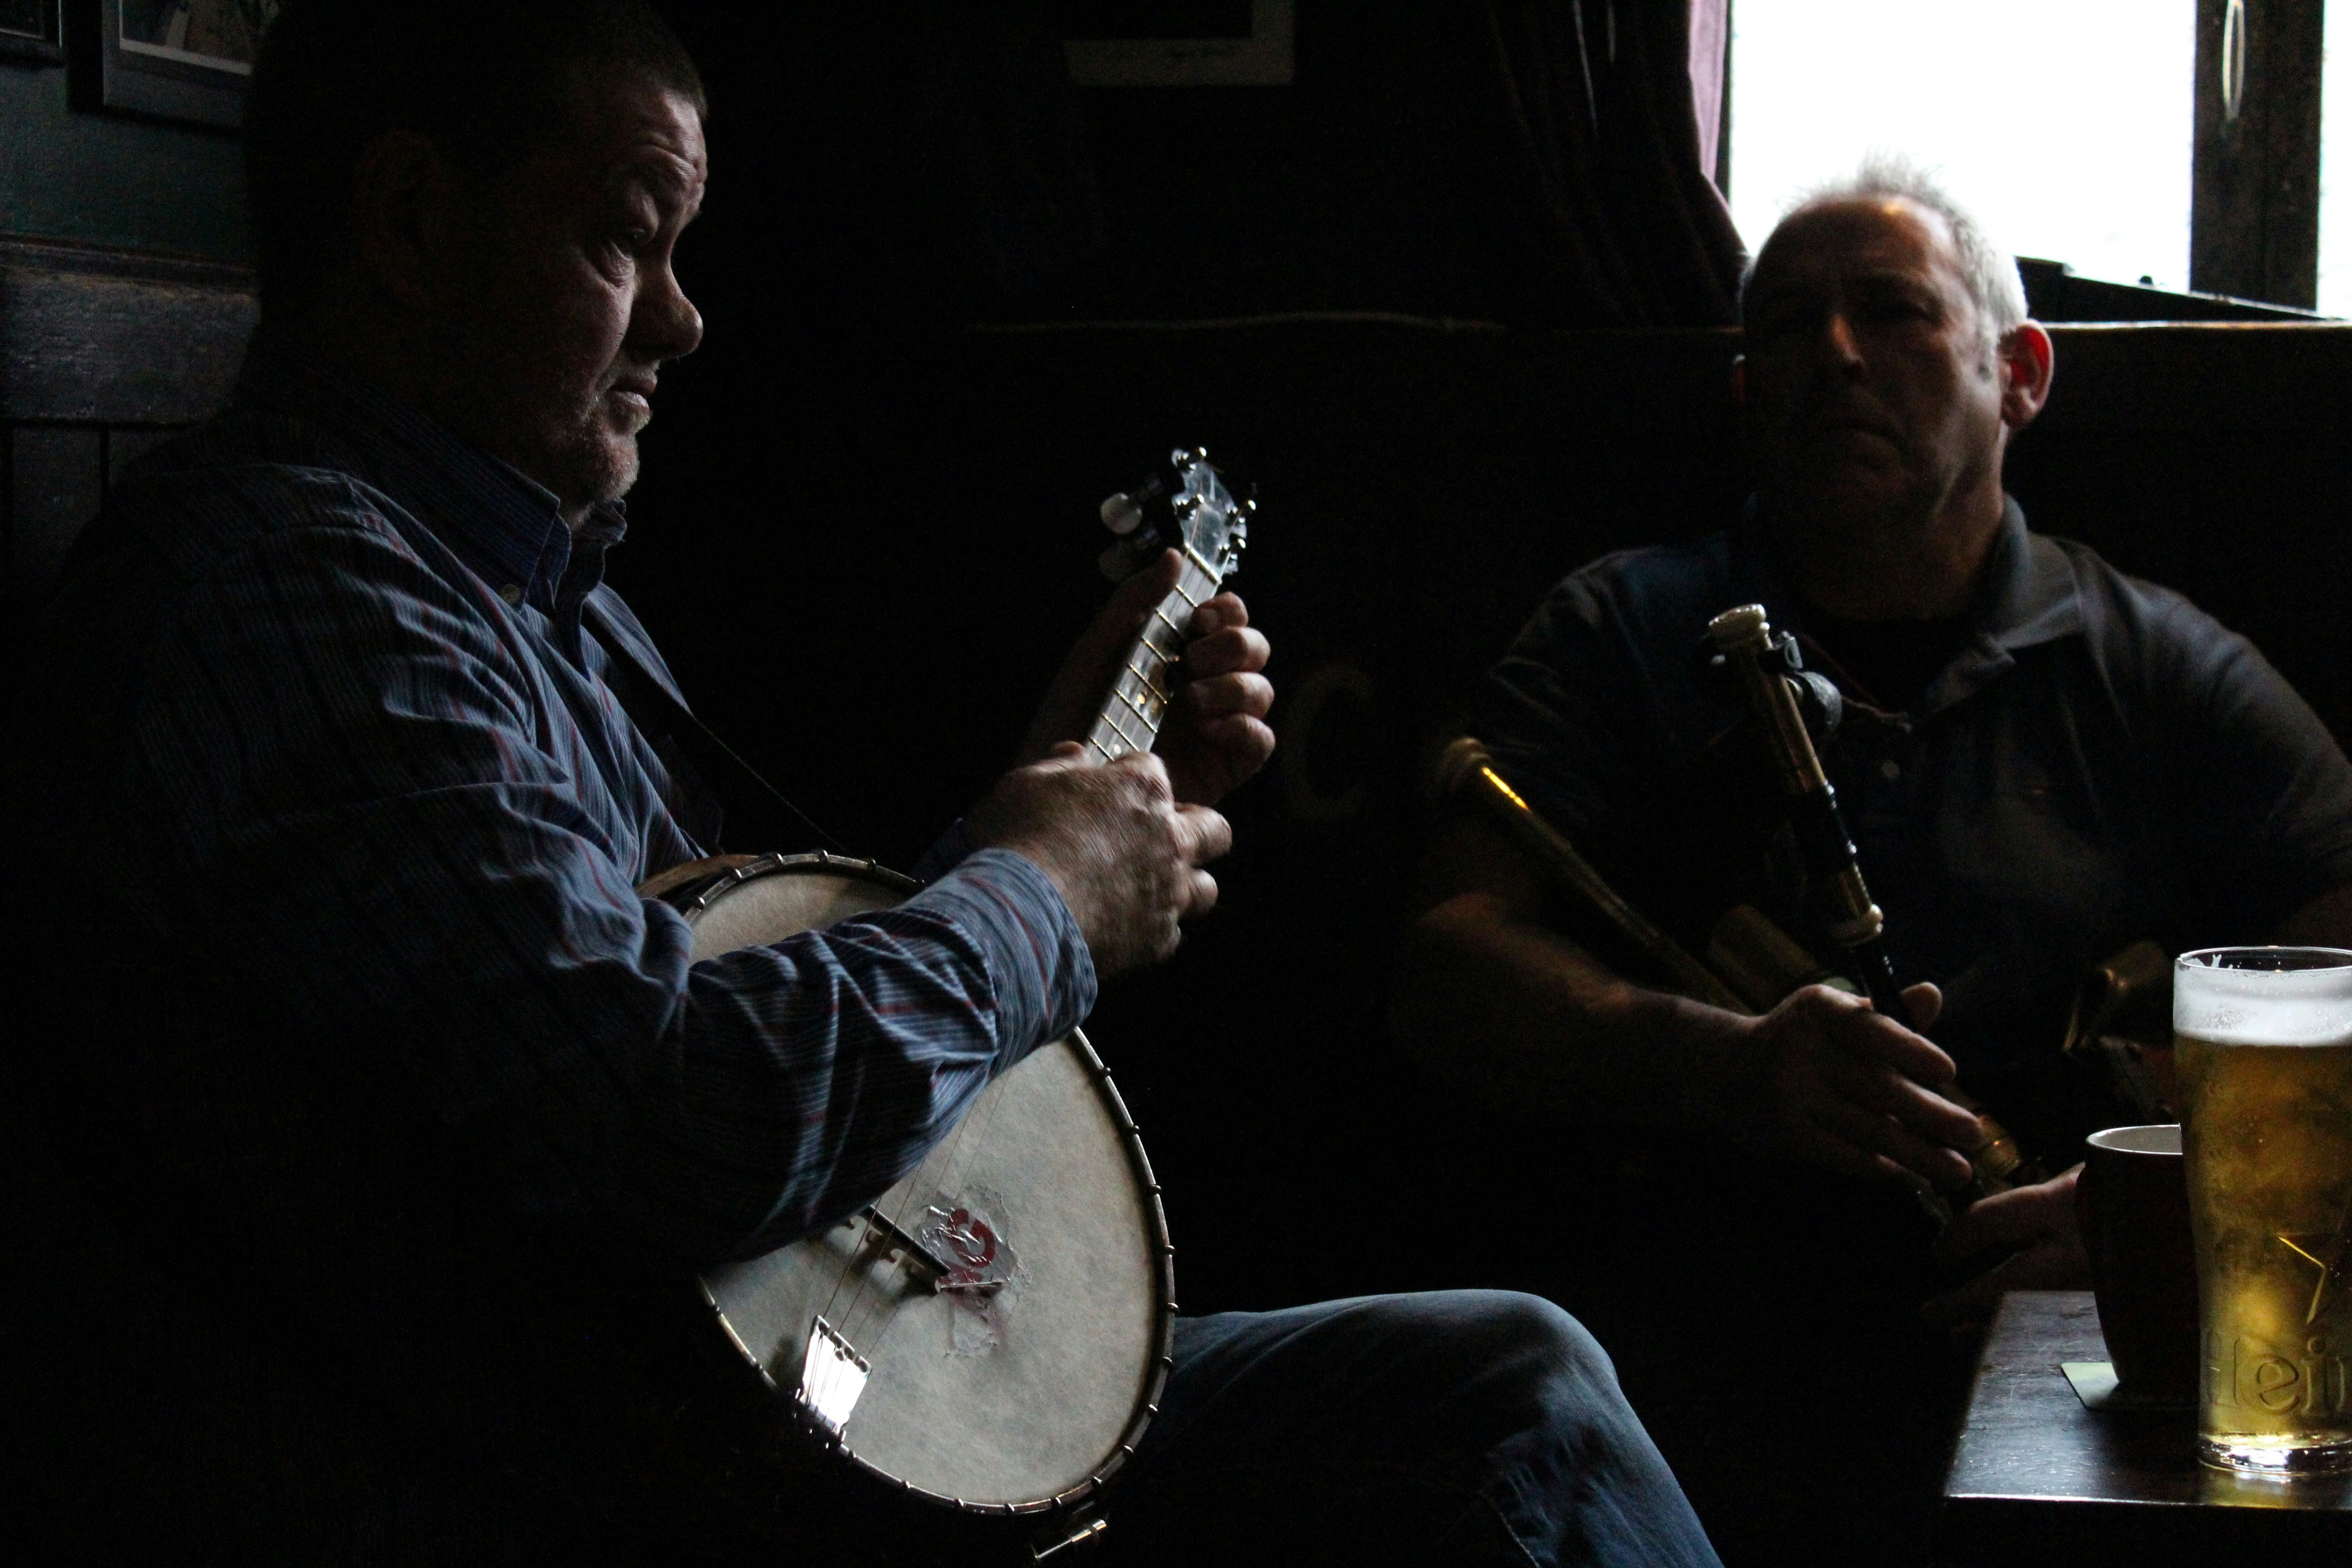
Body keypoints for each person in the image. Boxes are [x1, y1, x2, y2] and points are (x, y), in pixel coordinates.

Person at [0, 5, 1721, 1565]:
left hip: (743, 1410)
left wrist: (1056, 808)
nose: (685, 317)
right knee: (1506, 1402)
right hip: (582, 1473)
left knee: (1508, 1375)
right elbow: (674, 1106)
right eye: (629, 238)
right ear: (411, 222)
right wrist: (1043, 898)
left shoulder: (534, 587)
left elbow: (713, 981)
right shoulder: (287, 591)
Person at [1391, 160, 2352, 1563]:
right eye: (1784, 328)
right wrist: (1717, 1066)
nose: (1834, 356)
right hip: (1685, 1340)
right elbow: (1443, 967)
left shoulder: (2159, 666)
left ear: (2019, 375)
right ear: (1741, 394)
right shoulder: (1617, 632)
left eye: (1892, 313)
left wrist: (2163, 1210)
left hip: (2056, 1356)